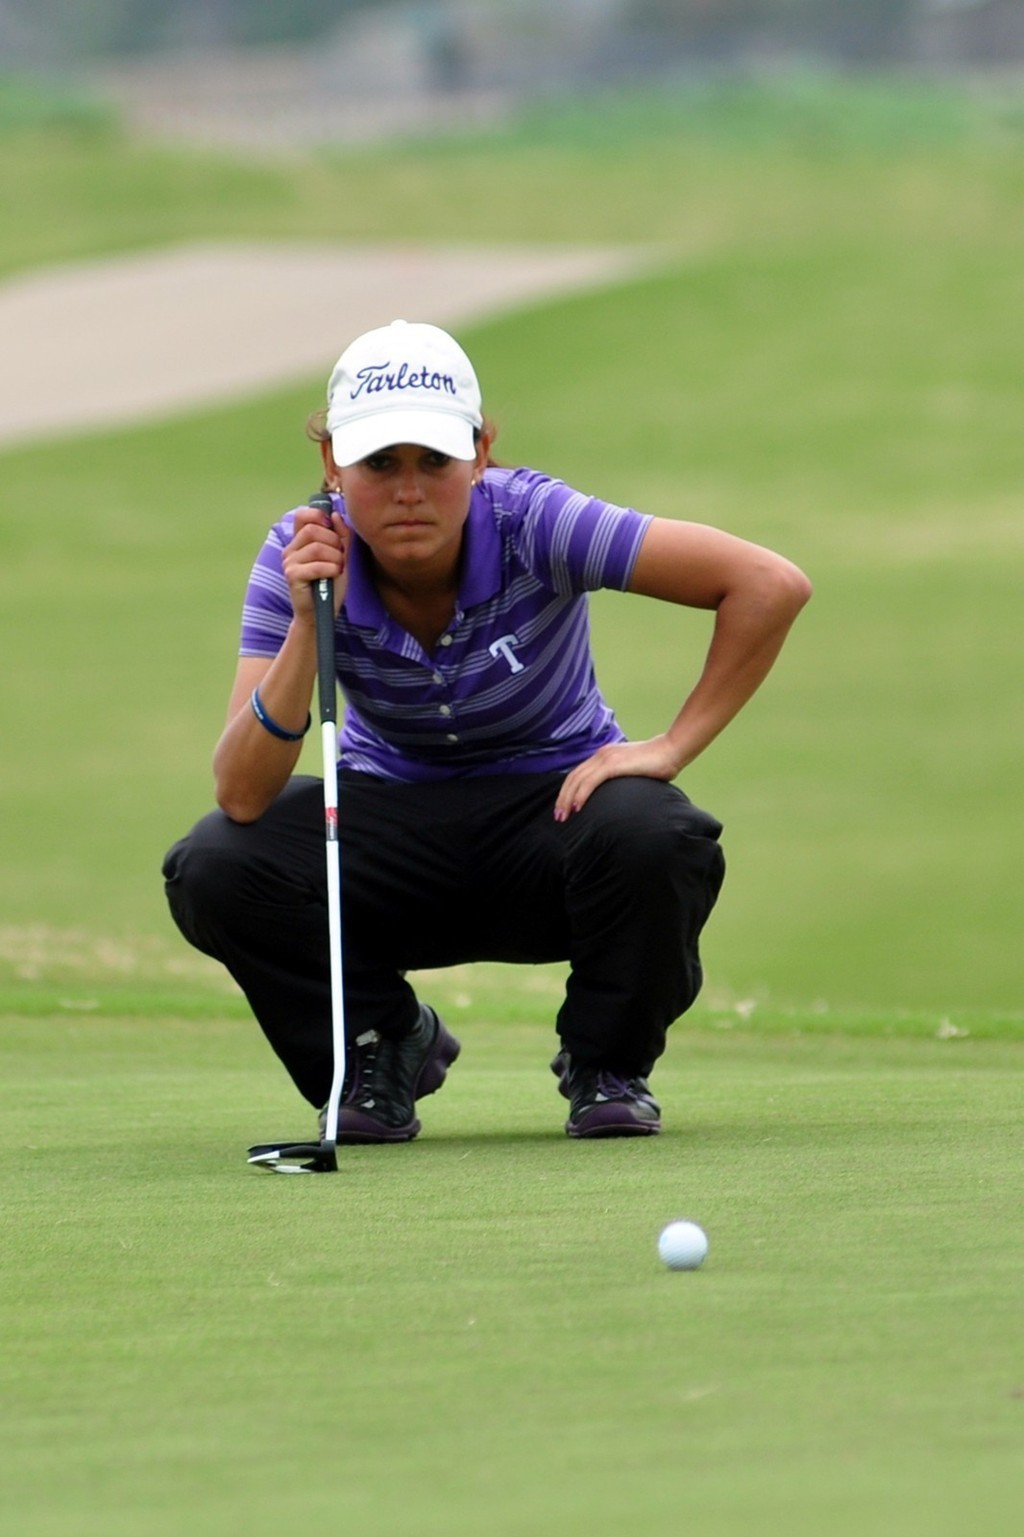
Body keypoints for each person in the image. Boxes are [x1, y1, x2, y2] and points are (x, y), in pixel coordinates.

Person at [163, 319, 811, 1143]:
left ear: (479, 451)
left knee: (660, 831)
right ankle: (382, 1043)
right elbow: (242, 792)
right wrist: (306, 622)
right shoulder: (298, 555)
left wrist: (669, 747)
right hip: (392, 828)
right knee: (214, 862)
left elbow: (768, 584)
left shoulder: (536, 522)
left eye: (435, 461)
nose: (408, 490)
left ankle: (605, 1063)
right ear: (332, 465)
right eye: (378, 464)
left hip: (557, 827)